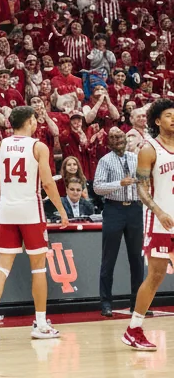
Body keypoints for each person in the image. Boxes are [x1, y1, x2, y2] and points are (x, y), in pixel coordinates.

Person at [0, 105, 67, 341]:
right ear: (30, 121)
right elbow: (48, 184)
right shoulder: (38, 146)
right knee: (38, 268)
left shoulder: (1, 145)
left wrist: (9, 201)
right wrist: (62, 210)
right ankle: (40, 324)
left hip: (7, 210)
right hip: (31, 212)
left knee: (2, 268)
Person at [124, 98, 174, 351]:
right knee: (155, 276)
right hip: (159, 221)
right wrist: (158, 210)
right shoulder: (149, 148)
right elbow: (141, 188)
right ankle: (133, 328)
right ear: (157, 120)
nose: (173, 118)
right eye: (168, 115)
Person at [92, 126, 142, 319]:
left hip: (135, 209)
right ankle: (106, 303)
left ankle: (137, 303)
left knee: (136, 259)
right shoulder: (105, 161)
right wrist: (119, 184)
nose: (117, 140)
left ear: (125, 138)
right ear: (109, 142)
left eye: (119, 136)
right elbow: (97, 187)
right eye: (112, 137)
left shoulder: (135, 158)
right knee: (108, 258)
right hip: (114, 209)